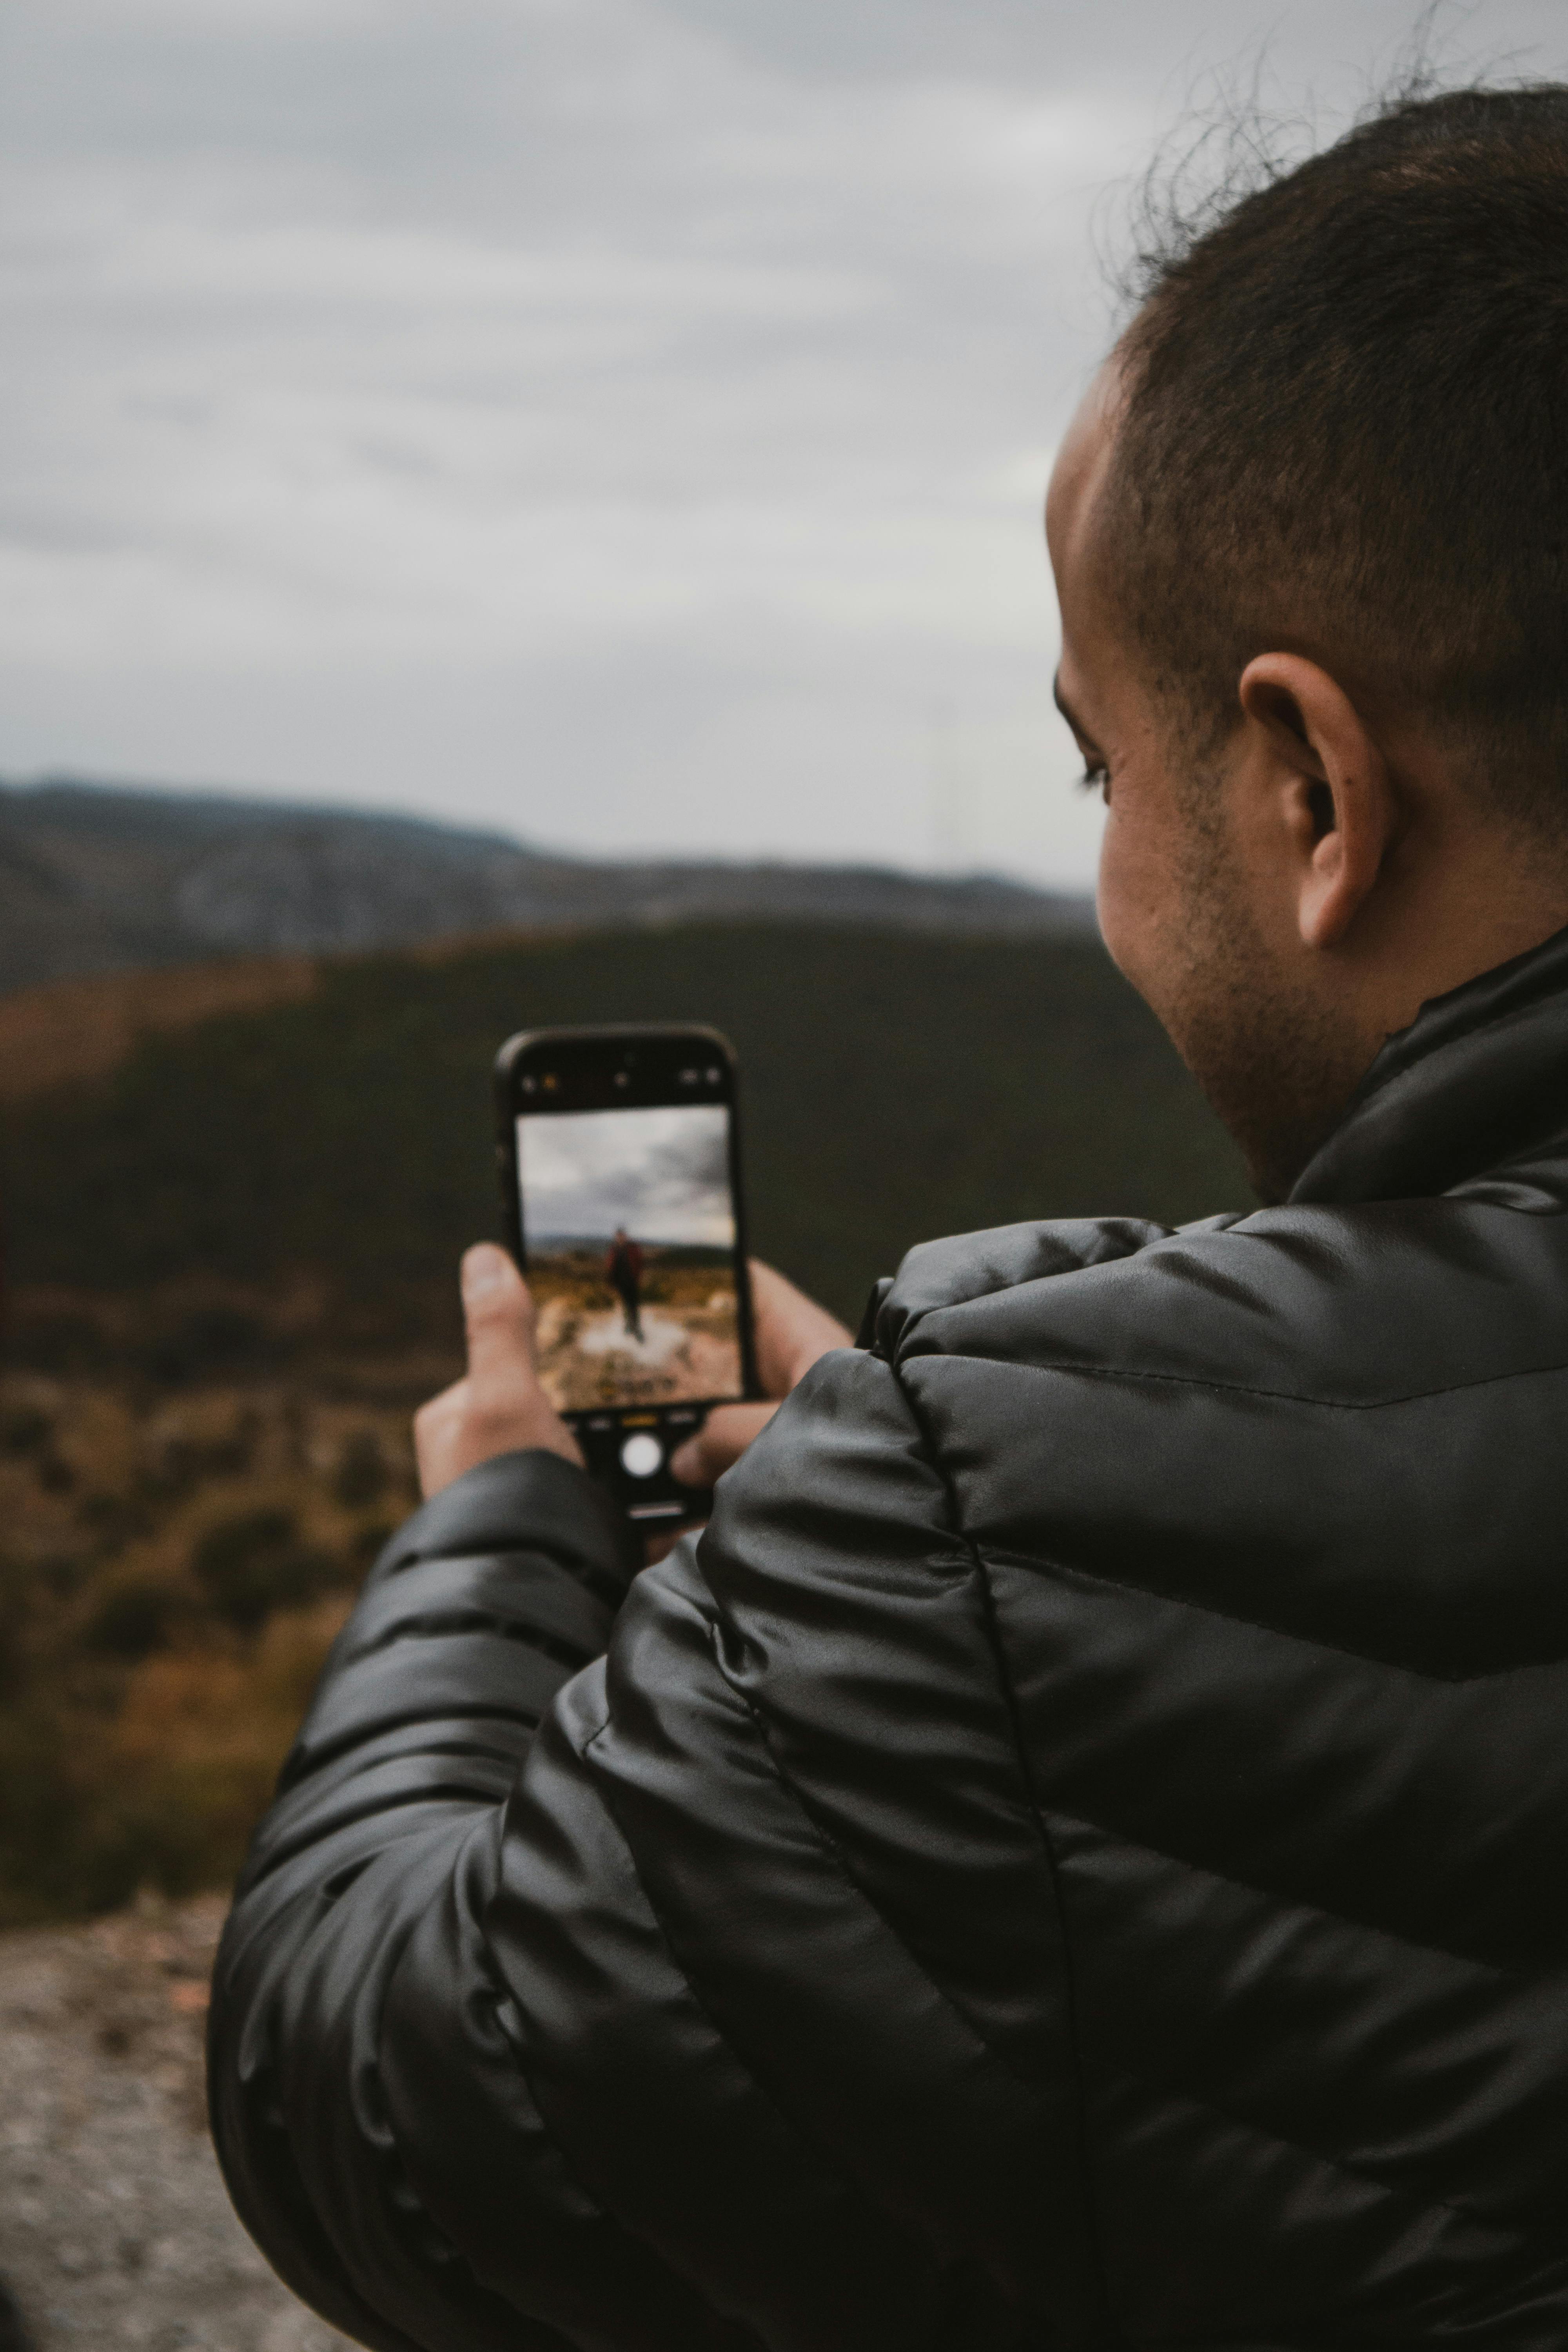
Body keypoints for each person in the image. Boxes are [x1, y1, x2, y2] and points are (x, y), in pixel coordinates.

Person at [209, 83, 1568, 2349]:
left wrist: (510, 1522)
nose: (1110, 864)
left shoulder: (988, 1533)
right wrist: (1020, 1517)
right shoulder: (1009, 1525)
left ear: (1314, 788)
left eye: (1098, 768)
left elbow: (395, 2118)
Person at [604, 1225, 644, 1342]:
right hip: (621, 1283)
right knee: (626, 1305)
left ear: (625, 1237)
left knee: (634, 1305)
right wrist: (611, 1282)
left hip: (632, 1282)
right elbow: (611, 1267)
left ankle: (636, 1328)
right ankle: (629, 1325)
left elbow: (640, 1263)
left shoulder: (632, 1248)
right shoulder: (615, 1250)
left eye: (622, 1236)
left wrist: (639, 1278)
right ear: (617, 1238)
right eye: (619, 1237)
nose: (621, 1238)